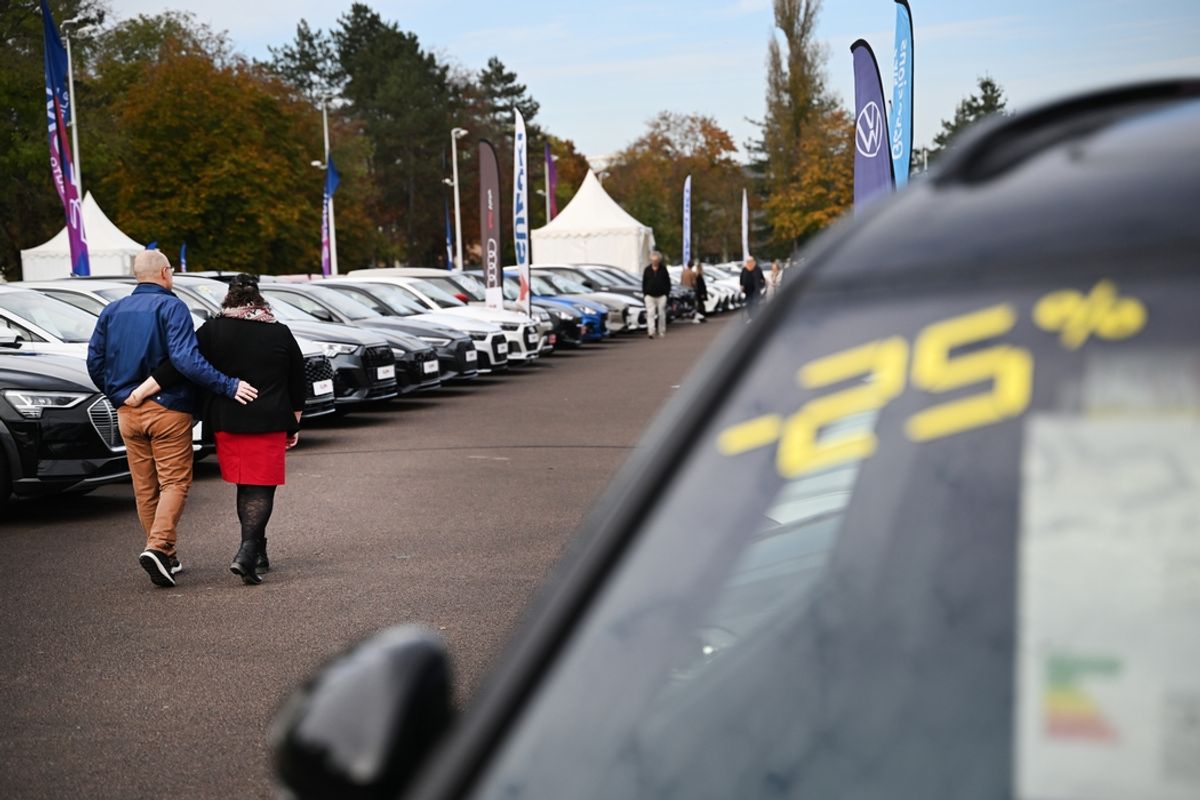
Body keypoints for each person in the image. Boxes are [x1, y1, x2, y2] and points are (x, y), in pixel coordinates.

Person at [87, 250, 257, 588]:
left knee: (145, 488)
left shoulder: (111, 310)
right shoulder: (172, 307)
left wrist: (119, 395)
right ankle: (158, 547)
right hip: (168, 409)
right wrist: (228, 385)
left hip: (127, 413)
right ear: (165, 272)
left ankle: (169, 556)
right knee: (175, 483)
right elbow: (185, 360)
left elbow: (95, 362)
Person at [128, 274, 306, 585]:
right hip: (269, 420)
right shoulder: (280, 332)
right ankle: (248, 552)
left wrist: (143, 391)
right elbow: (298, 381)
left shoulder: (213, 330)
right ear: (260, 301)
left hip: (228, 421)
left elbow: (180, 364)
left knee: (245, 485)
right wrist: (294, 422)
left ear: (228, 300)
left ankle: (258, 552)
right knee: (261, 488)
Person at [642, 250, 671, 339]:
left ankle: (661, 331)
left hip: (661, 295)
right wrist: (645, 293)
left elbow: (668, 282)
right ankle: (651, 331)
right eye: (653, 260)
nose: (654, 262)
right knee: (650, 313)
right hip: (650, 295)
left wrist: (666, 293)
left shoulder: (663, 269)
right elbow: (644, 282)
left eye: (656, 260)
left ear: (659, 260)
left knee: (661, 313)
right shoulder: (647, 270)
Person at [739, 256, 767, 322]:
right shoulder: (744, 269)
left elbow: (762, 279)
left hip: (756, 290)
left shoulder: (757, 269)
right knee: (749, 305)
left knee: (755, 304)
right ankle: (751, 317)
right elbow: (741, 279)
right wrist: (742, 286)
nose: (749, 263)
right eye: (748, 262)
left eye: (751, 261)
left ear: (753, 261)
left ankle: (755, 318)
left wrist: (761, 286)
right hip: (747, 291)